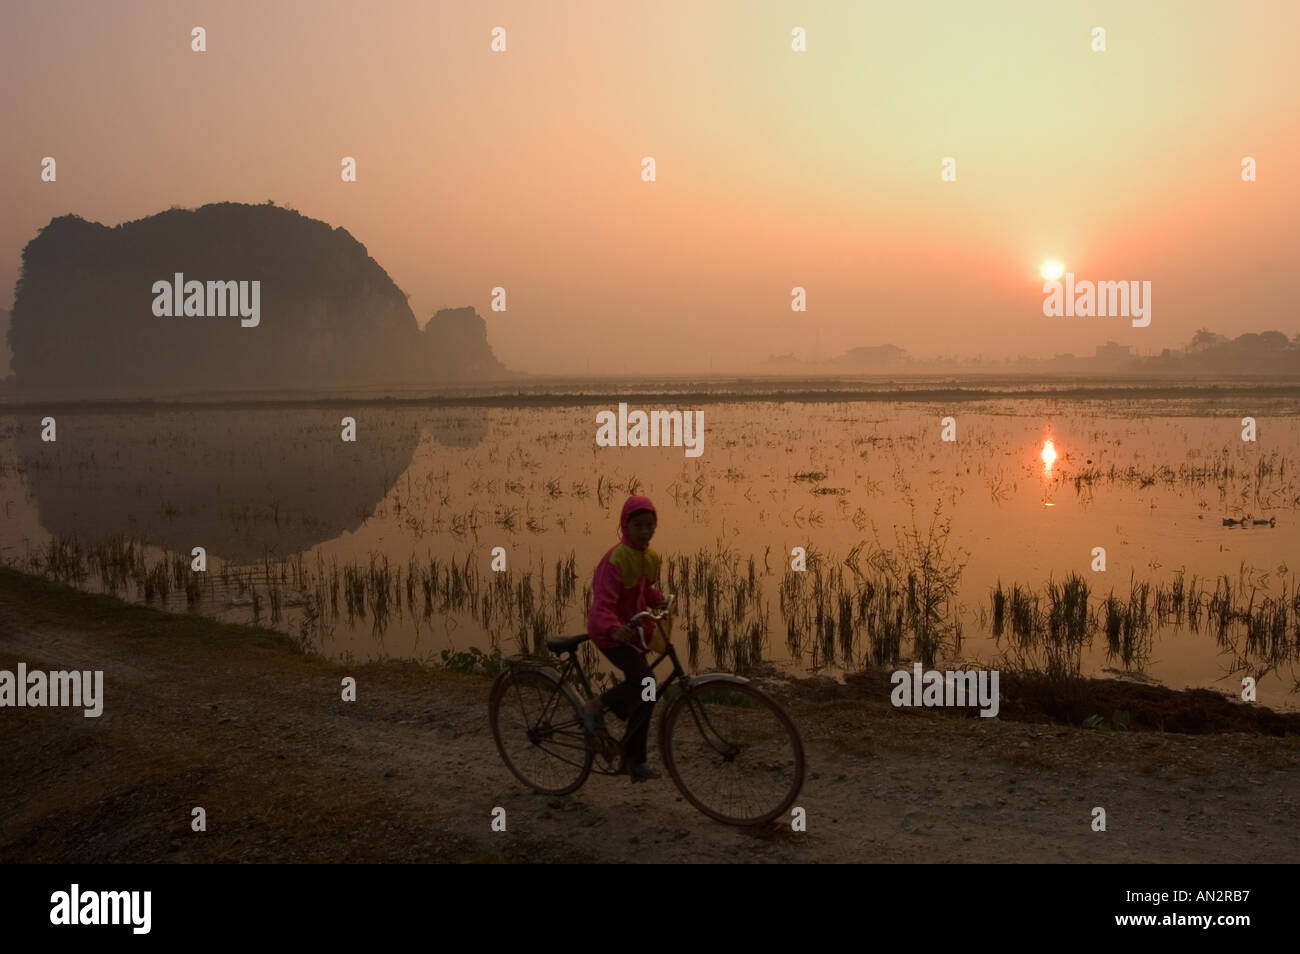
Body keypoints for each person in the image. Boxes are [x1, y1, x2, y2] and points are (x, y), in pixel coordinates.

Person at [581, 495, 669, 782]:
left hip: (633, 632)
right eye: (639, 525)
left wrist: (661, 601)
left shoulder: (648, 557)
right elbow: (602, 607)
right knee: (645, 683)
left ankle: (634, 760)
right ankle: (596, 705)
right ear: (625, 526)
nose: (645, 531)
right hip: (609, 634)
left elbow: (642, 591)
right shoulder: (615, 561)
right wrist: (613, 628)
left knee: (647, 694)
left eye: (650, 525)